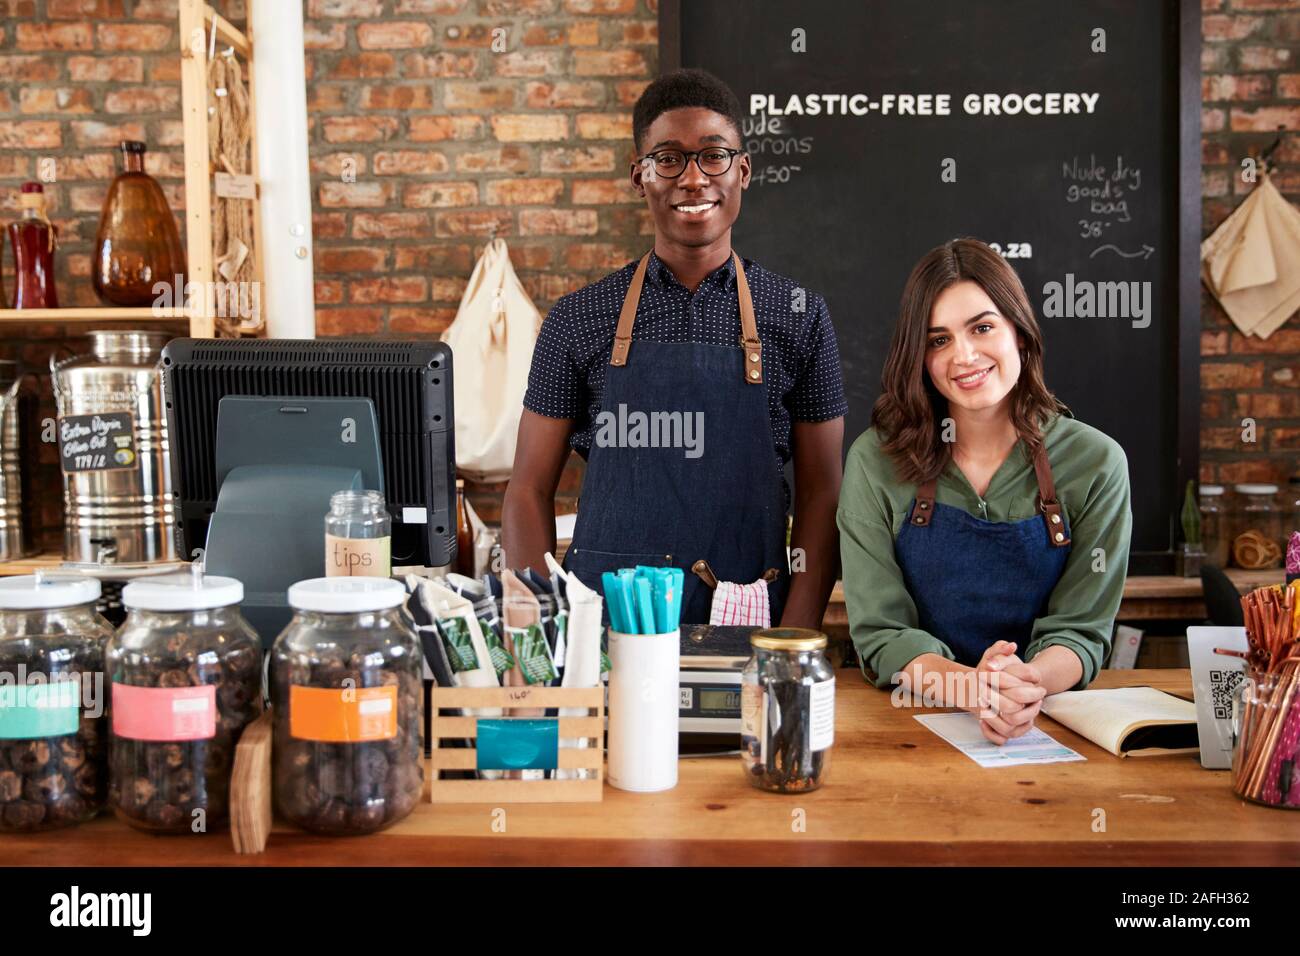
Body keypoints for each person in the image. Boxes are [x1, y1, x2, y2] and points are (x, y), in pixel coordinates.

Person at [502, 68, 846, 627]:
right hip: (606, 628)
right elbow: (527, 489)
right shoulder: (577, 318)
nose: (692, 179)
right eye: (668, 159)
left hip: (748, 620)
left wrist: (794, 639)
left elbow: (823, 493)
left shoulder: (799, 315)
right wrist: (539, 629)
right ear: (640, 178)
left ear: (744, 170)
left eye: (713, 155)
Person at [837, 238, 1131, 744]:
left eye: (982, 327)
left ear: (1019, 330)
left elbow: (1082, 630)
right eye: (938, 340)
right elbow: (881, 633)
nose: (964, 356)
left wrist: (1025, 687)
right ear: (920, 357)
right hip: (905, 728)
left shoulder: (1097, 463)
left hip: (1041, 723)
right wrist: (975, 688)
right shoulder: (874, 461)